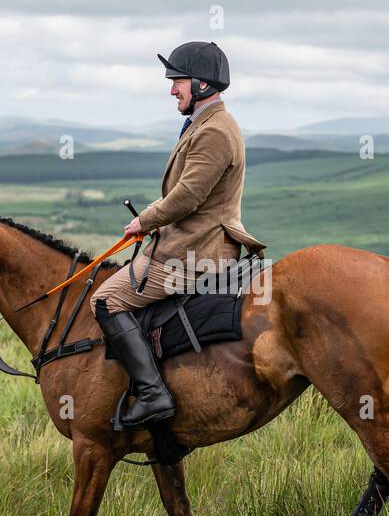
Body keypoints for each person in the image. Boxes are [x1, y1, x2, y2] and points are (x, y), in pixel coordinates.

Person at [91, 41, 265, 428]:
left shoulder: (215, 130)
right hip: (187, 242)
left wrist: (145, 221)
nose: (172, 90)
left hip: (194, 254)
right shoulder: (206, 123)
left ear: (201, 84)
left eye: (178, 82)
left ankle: (154, 395)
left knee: (104, 301)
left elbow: (187, 196)